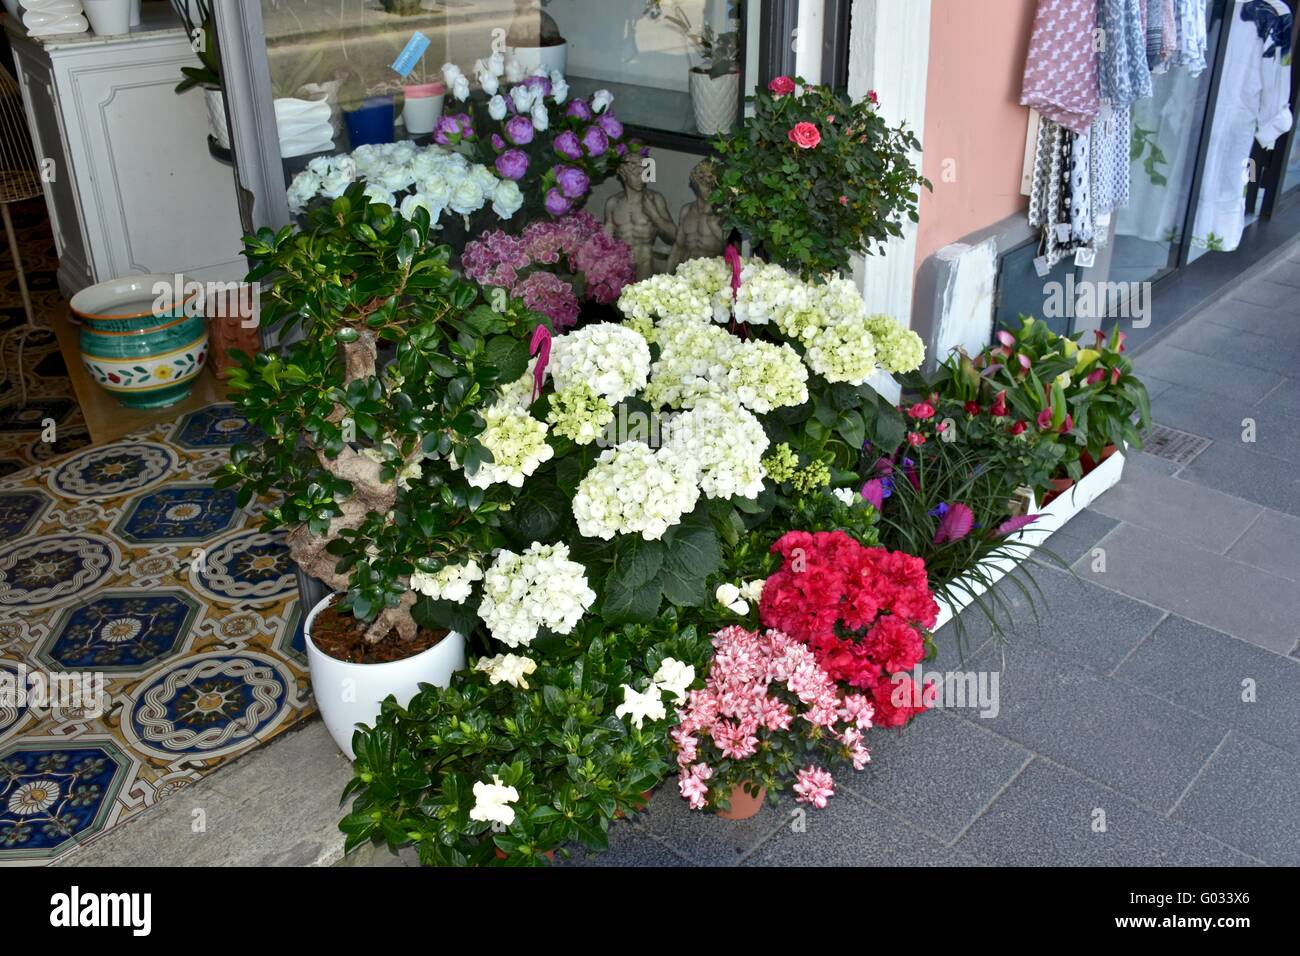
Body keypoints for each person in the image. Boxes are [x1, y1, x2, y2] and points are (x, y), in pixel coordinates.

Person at [604, 154, 677, 280]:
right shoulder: (613, 203)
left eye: (644, 172)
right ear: (623, 173)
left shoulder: (654, 199)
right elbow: (605, 240)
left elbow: (675, 236)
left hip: (645, 263)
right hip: (620, 265)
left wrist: (655, 216)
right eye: (636, 173)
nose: (641, 178)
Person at [666, 158, 725, 272]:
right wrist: (666, 275)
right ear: (695, 182)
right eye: (703, 181)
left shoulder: (724, 214)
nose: (708, 187)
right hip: (685, 273)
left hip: (713, 277)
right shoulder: (686, 211)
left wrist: (713, 221)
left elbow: (734, 251)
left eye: (712, 181)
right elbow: (678, 247)